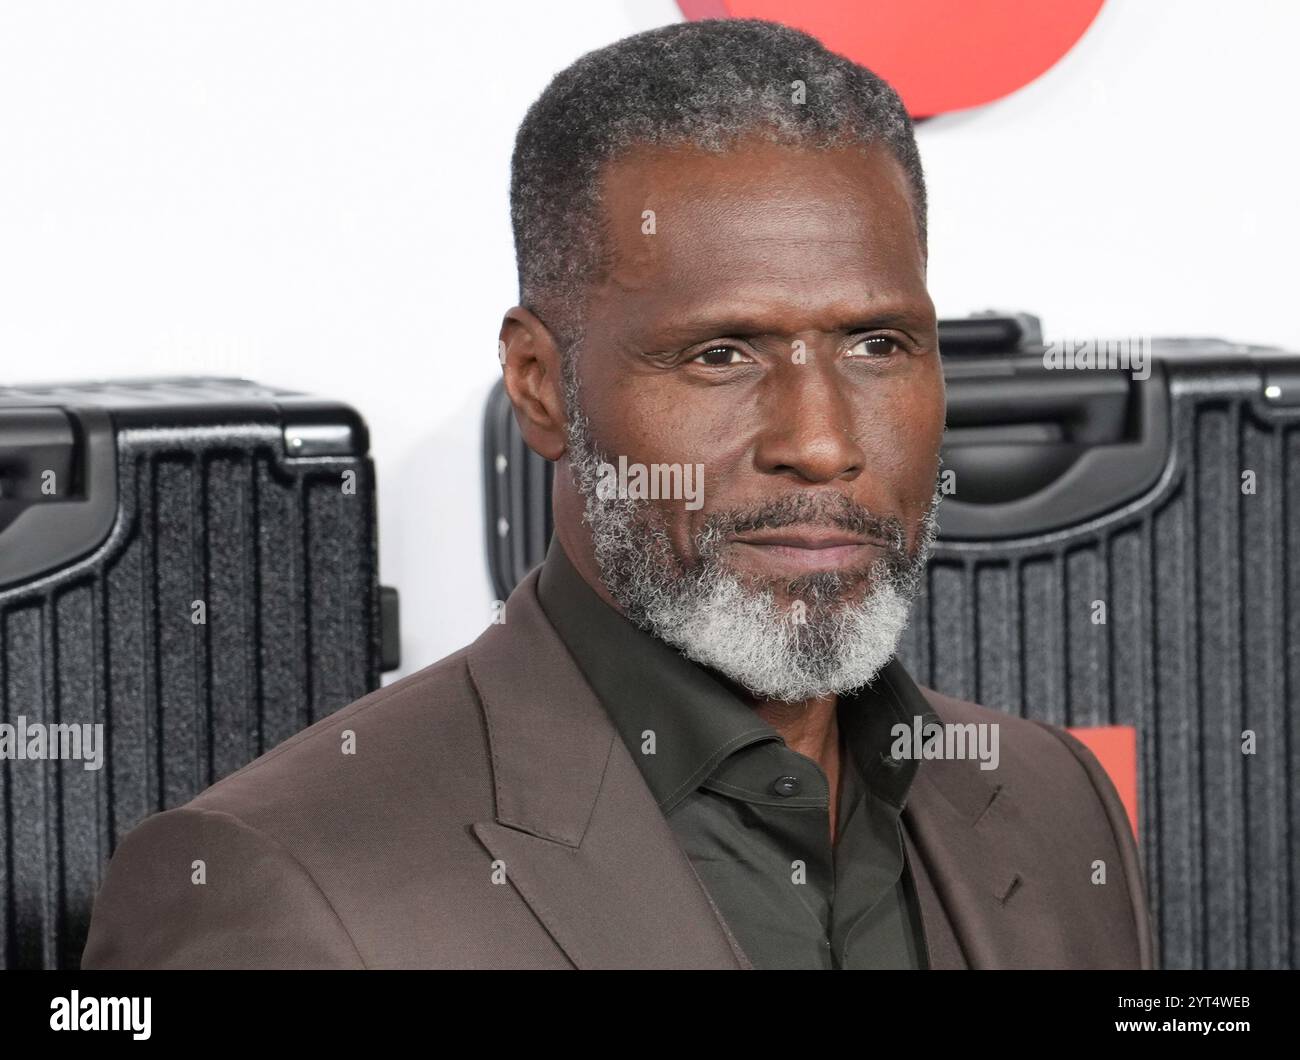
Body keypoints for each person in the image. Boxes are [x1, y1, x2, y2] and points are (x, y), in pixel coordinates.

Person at [81, 18, 1153, 970]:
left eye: (878, 343)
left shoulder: (1054, 803)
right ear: (541, 386)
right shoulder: (277, 886)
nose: (821, 443)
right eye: (721, 354)